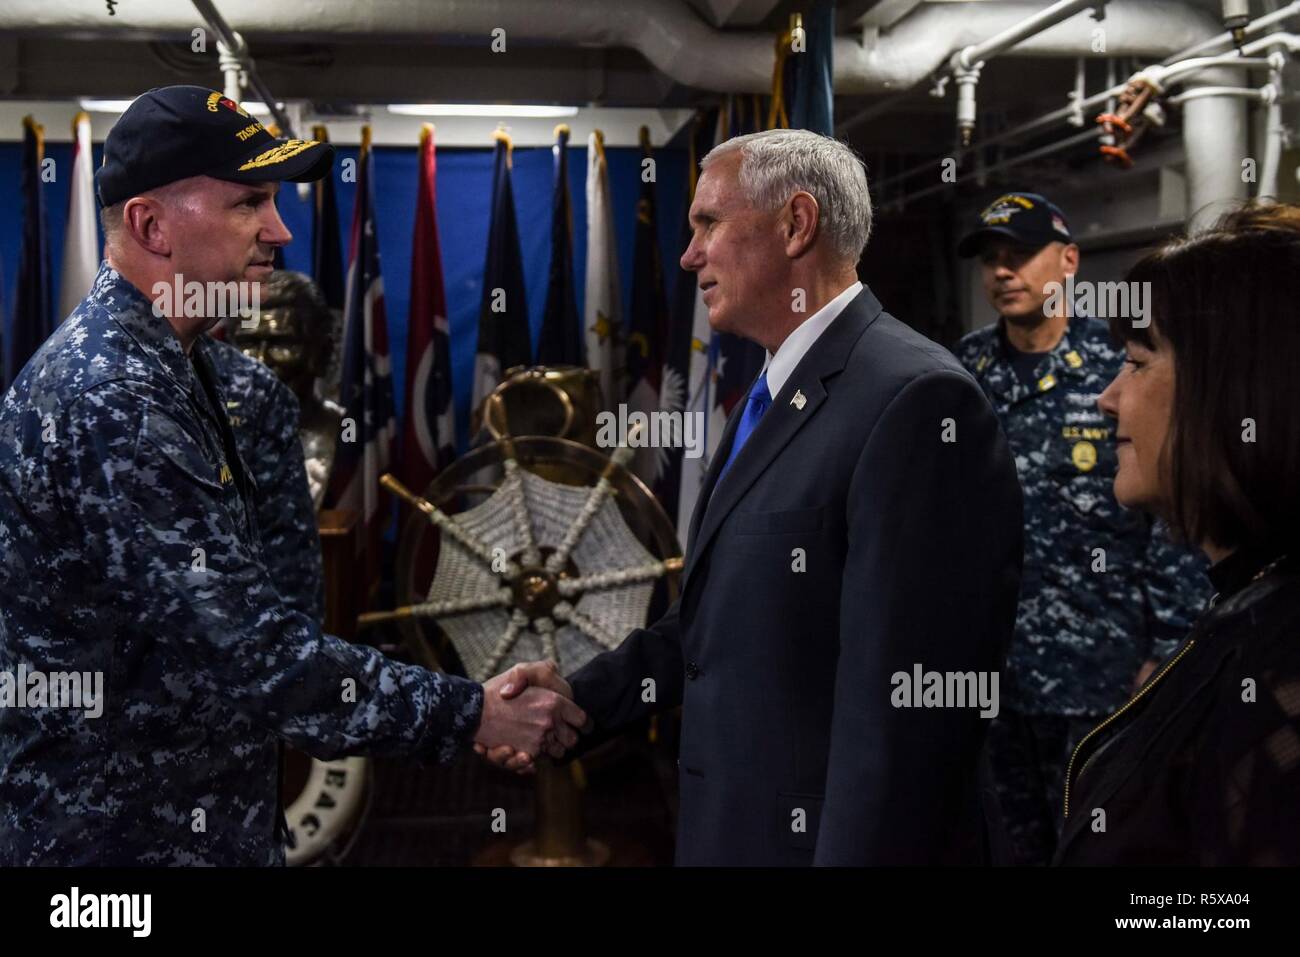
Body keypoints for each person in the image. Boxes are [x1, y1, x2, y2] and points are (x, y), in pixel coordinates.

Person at [0, 86, 584, 866]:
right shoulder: (114, 395)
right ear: (150, 225)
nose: (279, 232)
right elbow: (251, 653)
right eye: (248, 203)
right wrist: (472, 712)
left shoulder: (177, 364)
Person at [485, 129, 1024, 865]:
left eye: (709, 222)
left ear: (796, 224)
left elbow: (907, 724)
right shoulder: (773, 391)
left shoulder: (917, 401)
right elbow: (714, 629)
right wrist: (575, 700)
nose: (689, 254)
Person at [952, 192, 1208, 865]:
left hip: (1103, 671)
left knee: (1104, 846)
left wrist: (1167, 645)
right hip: (993, 673)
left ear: (1068, 261)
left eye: (1019, 255)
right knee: (1008, 845)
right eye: (990, 260)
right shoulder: (961, 374)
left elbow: (1165, 514)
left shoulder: (1119, 365)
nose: (1002, 272)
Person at [1054, 202, 1300, 865]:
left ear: (1235, 392)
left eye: (1136, 362)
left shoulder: (1276, 666)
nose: (1107, 397)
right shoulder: (1249, 601)